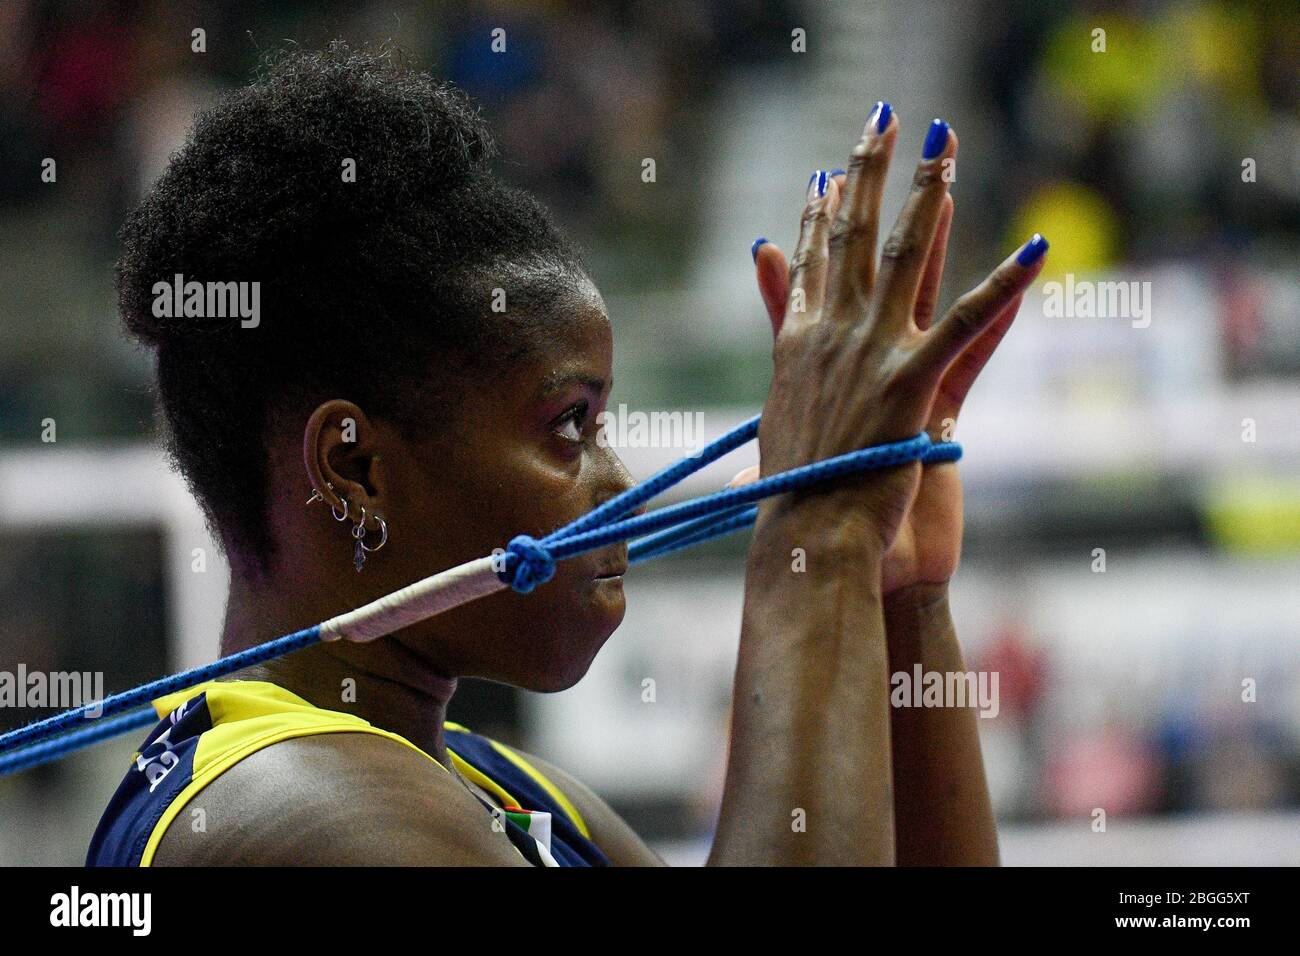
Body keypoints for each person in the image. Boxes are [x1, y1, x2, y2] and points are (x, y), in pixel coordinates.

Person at [88, 43, 1046, 867]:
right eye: (569, 425)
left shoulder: (497, 787)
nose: (619, 484)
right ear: (354, 468)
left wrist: (899, 597)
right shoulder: (288, 813)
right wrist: (821, 540)